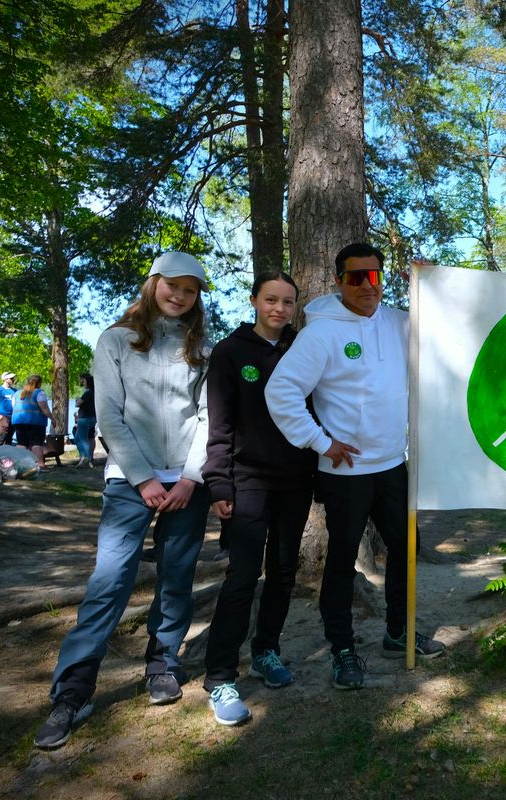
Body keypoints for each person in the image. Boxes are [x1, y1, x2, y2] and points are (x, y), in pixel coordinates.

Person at [34, 252, 212, 750]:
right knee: (109, 581)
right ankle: (73, 691)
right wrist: (141, 480)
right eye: (171, 285)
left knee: (177, 577)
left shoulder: (203, 348)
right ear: (153, 284)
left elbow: (207, 418)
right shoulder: (116, 340)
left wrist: (190, 480)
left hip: (184, 486)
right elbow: (109, 416)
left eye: (190, 290)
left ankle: (162, 662)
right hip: (129, 482)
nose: (179, 295)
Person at [265, 242, 444, 691]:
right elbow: (281, 391)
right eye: (355, 277)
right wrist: (320, 442)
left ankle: (397, 632)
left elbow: (449, 330)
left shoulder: (401, 323)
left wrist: (431, 286)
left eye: (374, 276)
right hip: (345, 472)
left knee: (406, 550)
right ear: (338, 281)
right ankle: (342, 648)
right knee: (342, 561)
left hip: (392, 466)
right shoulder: (321, 333)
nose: (367, 286)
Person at [199, 272, 317, 726]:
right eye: (271, 300)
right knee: (242, 575)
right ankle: (221, 676)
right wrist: (219, 484)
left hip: (297, 480)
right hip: (247, 481)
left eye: (288, 302)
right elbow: (221, 424)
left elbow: (317, 409)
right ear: (254, 301)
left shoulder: (302, 349)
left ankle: (266, 651)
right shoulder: (230, 353)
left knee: (284, 571)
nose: (279, 309)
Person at [12, 374, 52, 469]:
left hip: (18, 421)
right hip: (35, 422)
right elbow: (44, 408)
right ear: (39, 383)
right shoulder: (39, 393)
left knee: (21, 444)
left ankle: (20, 465)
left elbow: (14, 406)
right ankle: (40, 464)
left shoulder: (17, 393)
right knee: (36, 443)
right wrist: (53, 419)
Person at [74, 372, 97, 467]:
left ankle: (87, 459)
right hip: (91, 417)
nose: (80, 382)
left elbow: (77, 404)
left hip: (84, 419)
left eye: (82, 380)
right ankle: (84, 458)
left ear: (85, 380)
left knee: (83, 440)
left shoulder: (88, 393)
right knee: (77, 438)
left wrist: (78, 399)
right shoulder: (93, 392)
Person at [0, 371, 17, 446]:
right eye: (11, 378)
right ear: (5, 379)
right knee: (2, 437)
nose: (13, 379)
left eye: (13, 378)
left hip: (13, 417)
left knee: (9, 438)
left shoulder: (15, 391)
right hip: (3, 417)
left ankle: (7, 457)